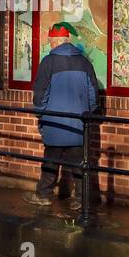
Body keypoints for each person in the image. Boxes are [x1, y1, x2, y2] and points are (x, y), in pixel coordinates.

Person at [31, 21, 99, 205]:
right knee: (79, 165)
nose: (49, 46)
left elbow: (39, 95)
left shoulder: (48, 62)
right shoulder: (85, 63)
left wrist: (41, 114)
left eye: (50, 43)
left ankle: (43, 196)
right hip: (78, 124)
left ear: (56, 42)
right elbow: (93, 96)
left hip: (54, 124)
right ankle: (81, 201)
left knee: (50, 163)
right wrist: (85, 116)